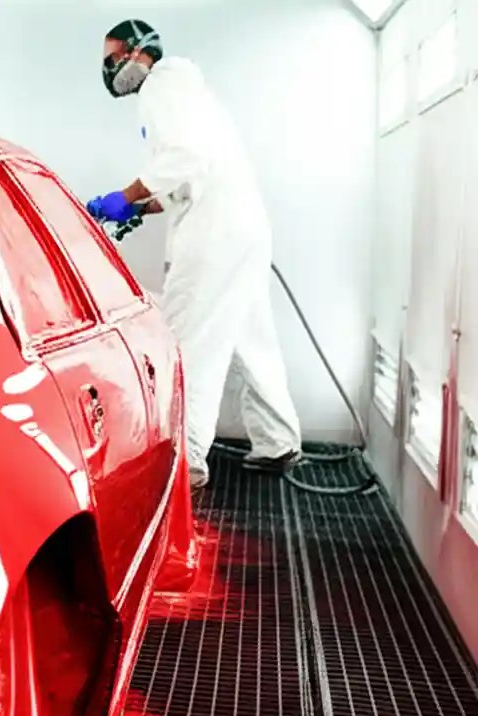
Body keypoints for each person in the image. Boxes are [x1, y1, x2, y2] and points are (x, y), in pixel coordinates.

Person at [85, 19, 302, 488]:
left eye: (112, 56)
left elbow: (183, 158)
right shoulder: (190, 91)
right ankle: (277, 441)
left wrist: (124, 195)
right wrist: (142, 207)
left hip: (214, 233)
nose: (110, 68)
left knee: (189, 344)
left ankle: (186, 462)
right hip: (244, 228)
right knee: (250, 339)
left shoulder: (159, 87)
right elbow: (190, 176)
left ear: (138, 51)